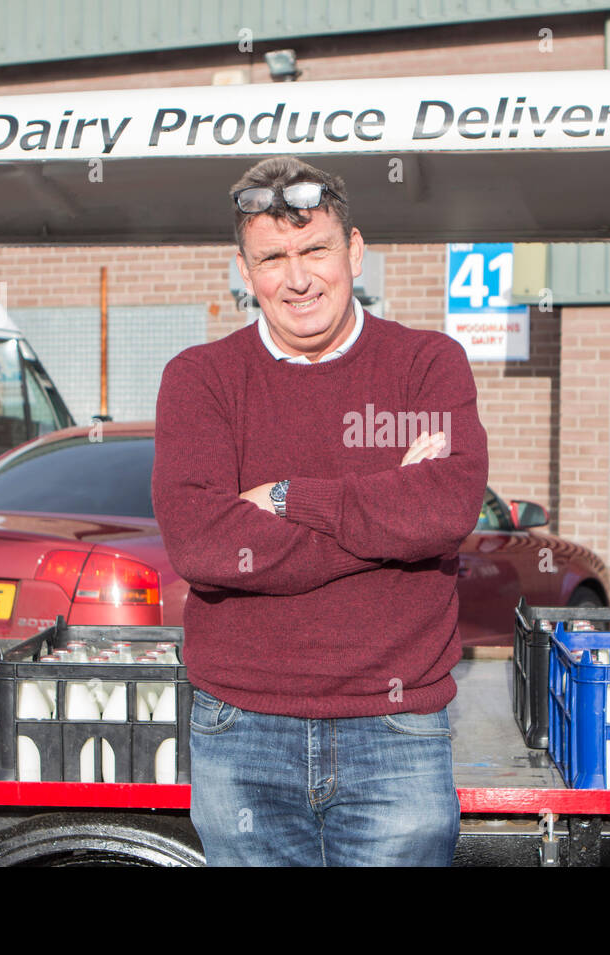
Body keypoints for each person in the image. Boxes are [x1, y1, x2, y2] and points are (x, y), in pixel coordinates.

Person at [151, 156, 489, 866]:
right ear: (245, 271)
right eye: (272, 258)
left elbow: (447, 506)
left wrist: (286, 498)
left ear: (355, 250)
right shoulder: (199, 380)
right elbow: (204, 545)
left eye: (314, 250)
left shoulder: (429, 364)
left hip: (396, 728)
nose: (297, 278)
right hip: (241, 729)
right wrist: (383, 511)